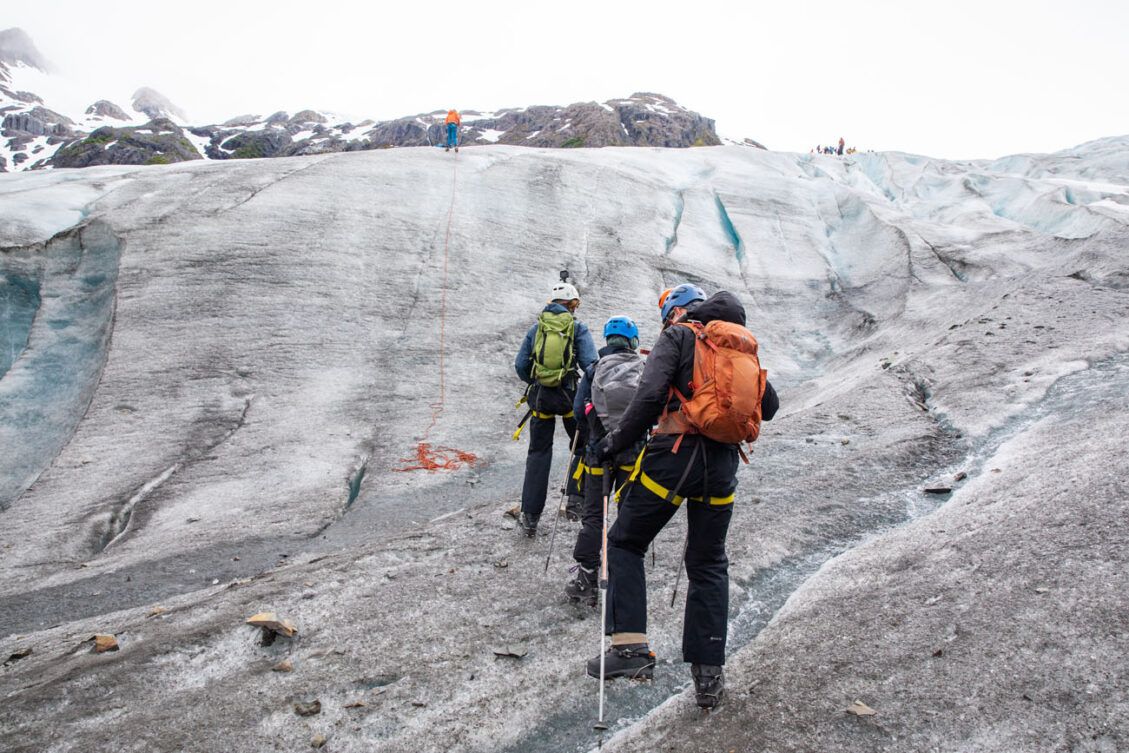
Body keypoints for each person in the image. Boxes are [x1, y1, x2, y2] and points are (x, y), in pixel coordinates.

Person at [584, 284, 780, 709]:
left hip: (674, 458)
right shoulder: (741, 345)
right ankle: (708, 676)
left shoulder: (679, 336)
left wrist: (613, 444)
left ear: (675, 313)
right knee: (709, 563)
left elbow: (649, 397)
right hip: (723, 466)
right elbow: (771, 406)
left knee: (625, 542)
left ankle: (630, 650)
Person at [564, 315, 646, 607]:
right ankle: (622, 571)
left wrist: (594, 435)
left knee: (594, 516)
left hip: (598, 454)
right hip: (632, 454)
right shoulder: (644, 368)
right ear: (632, 341)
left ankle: (587, 576)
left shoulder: (594, 369)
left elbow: (578, 412)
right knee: (627, 514)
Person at [514, 281, 598, 537]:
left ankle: (530, 517)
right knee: (582, 444)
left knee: (538, 453)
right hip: (569, 397)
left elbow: (521, 365)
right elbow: (591, 365)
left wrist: (538, 380)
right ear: (572, 305)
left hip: (542, 398)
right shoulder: (577, 328)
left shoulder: (537, 328)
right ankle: (575, 500)